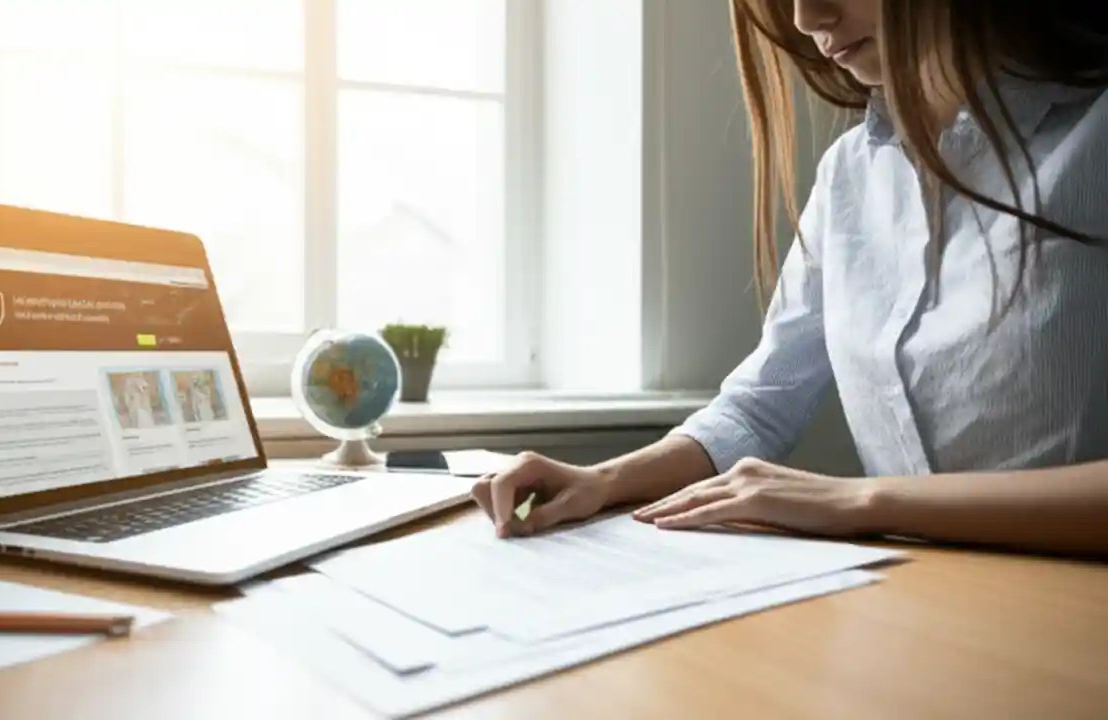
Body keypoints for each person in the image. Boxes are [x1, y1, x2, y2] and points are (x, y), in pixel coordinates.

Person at [473, 0, 1108, 556]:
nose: (806, 19)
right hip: (917, 602)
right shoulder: (848, 174)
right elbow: (758, 403)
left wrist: (864, 502)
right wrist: (603, 479)